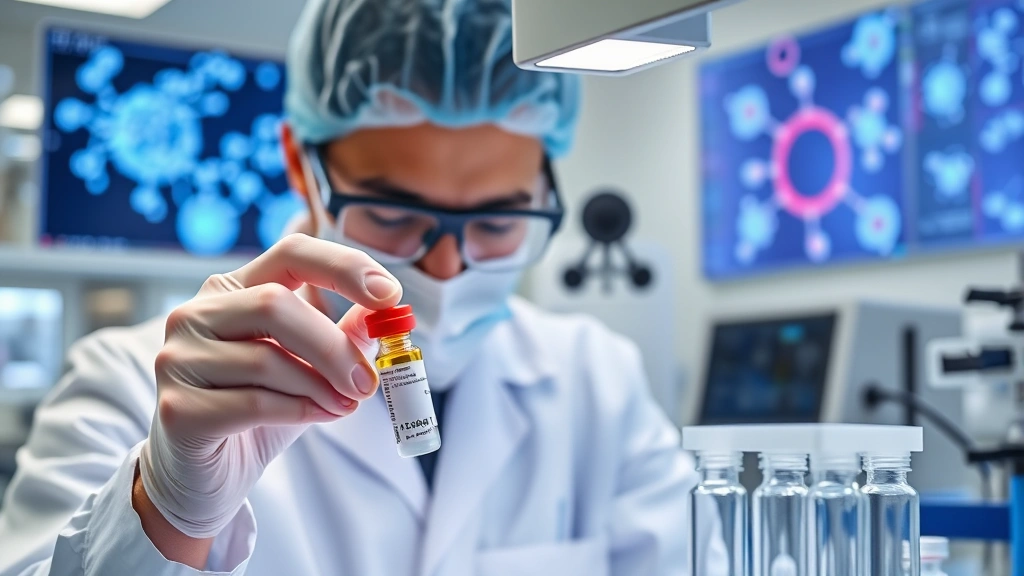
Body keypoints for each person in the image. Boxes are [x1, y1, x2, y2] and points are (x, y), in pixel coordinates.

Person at [0, 0, 727, 574]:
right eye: (391, 215)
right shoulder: (128, 383)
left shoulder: (598, 381)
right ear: (298, 164)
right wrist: (165, 513)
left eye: (500, 222)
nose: (446, 269)